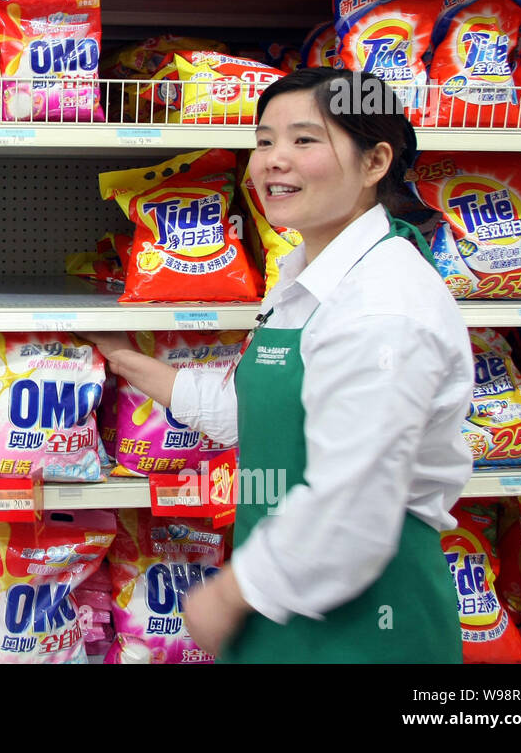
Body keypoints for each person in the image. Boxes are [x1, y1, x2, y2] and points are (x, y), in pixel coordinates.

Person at [86, 68, 474, 663]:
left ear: (374, 164)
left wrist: (232, 596)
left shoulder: (384, 302)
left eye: (305, 140)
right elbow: (258, 412)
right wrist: (122, 358)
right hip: (284, 602)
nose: (273, 160)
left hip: (369, 623)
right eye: (264, 141)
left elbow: (355, 498)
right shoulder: (304, 277)